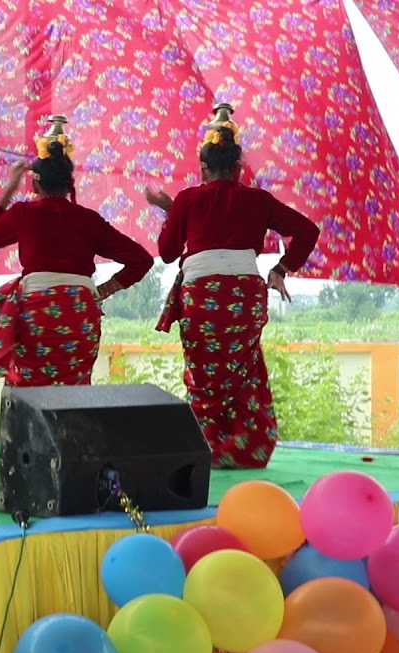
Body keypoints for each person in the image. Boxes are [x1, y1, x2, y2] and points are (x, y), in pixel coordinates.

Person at [145, 103, 320, 469]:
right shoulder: (257, 199)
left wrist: (169, 208)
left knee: (205, 373)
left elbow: (166, 253)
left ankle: (205, 451)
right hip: (243, 296)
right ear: (239, 169)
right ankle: (246, 451)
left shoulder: (189, 199)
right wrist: (282, 268)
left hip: (202, 297)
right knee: (243, 371)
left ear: (203, 168)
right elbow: (308, 230)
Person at [0, 115, 153, 386]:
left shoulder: (25, 212)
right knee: (75, 392)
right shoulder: (89, 220)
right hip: (80, 312)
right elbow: (140, 260)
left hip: (35, 314)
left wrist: (10, 188)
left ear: (35, 184)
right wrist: (104, 290)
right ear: (70, 184)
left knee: (30, 394)